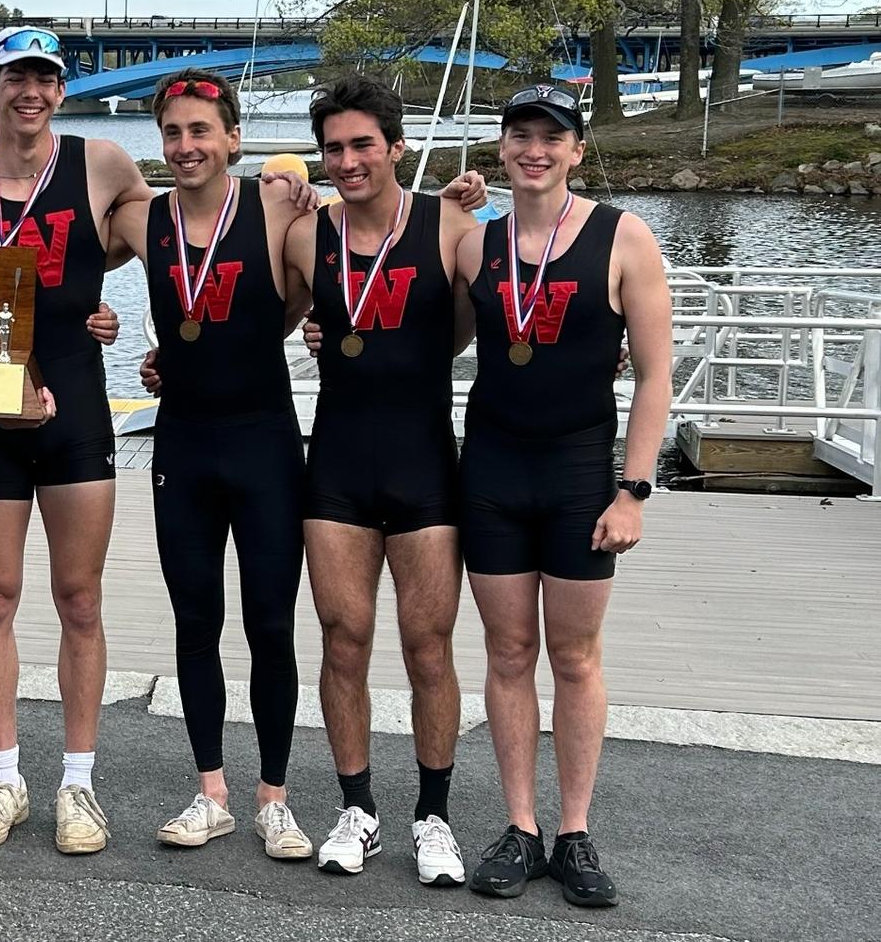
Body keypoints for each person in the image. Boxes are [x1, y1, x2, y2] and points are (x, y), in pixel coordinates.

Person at [0, 25, 147, 855]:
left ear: (61, 92)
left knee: (80, 601)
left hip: (80, 409)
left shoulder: (102, 165)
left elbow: (170, 234)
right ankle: (4, 776)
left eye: (44, 79)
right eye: (14, 77)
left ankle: (79, 785)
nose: (30, 92)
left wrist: (282, 187)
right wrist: (1, 391)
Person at [456, 84, 671, 908]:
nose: (534, 149)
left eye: (552, 137)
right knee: (508, 654)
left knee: (575, 659)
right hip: (492, 476)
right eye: (520, 136)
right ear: (503, 149)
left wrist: (634, 491)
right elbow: (421, 332)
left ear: (578, 150)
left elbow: (654, 378)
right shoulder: (480, 245)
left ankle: (575, 831)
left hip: (581, 475)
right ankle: (521, 825)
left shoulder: (624, 237)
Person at [111, 69, 320, 856]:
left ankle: (274, 796)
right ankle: (211, 793)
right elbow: (48, 246)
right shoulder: (142, 218)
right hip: (185, 447)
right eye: (172, 133)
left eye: (201, 131)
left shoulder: (281, 208)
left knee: (271, 624)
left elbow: (353, 260)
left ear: (234, 137)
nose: (186, 146)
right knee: (196, 621)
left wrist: (463, 209)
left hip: (264, 441)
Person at [285, 76, 485, 885]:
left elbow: (517, 291)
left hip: (425, 462)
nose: (347, 160)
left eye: (363, 143)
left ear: (397, 147)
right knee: (344, 638)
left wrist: (604, 349)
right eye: (333, 148)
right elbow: (239, 305)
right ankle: (357, 809)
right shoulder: (307, 233)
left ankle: (433, 816)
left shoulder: (451, 223)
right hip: (336, 459)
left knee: (428, 647)